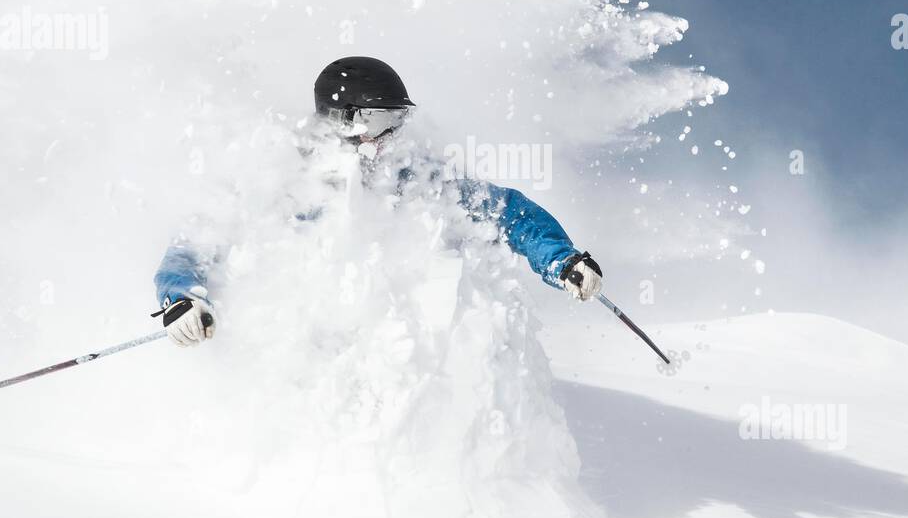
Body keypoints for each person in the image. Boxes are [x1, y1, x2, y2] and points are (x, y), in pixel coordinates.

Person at [152, 56, 603, 346]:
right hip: (293, 346)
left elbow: (504, 211)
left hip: (385, 344)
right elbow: (197, 241)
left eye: (398, 117)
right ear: (341, 117)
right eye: (379, 117)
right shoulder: (278, 173)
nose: (391, 132)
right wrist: (180, 299)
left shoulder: (409, 175)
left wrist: (560, 259)